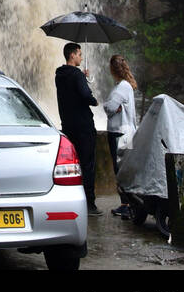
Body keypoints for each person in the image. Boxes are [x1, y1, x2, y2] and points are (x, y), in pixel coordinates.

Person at [55, 42, 100, 215]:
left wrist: (81, 76)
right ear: (72, 55)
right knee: (87, 164)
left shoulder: (59, 75)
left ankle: (70, 201)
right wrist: (94, 100)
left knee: (71, 166)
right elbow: (85, 95)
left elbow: (71, 91)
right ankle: (89, 203)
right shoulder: (76, 75)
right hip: (83, 126)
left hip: (67, 125)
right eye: (79, 54)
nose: (81, 57)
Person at [103, 54, 138, 219]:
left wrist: (107, 106)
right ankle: (129, 203)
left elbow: (110, 107)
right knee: (123, 167)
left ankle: (127, 204)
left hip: (120, 132)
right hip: (125, 131)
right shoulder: (124, 85)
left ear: (113, 69)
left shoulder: (122, 87)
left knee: (121, 169)